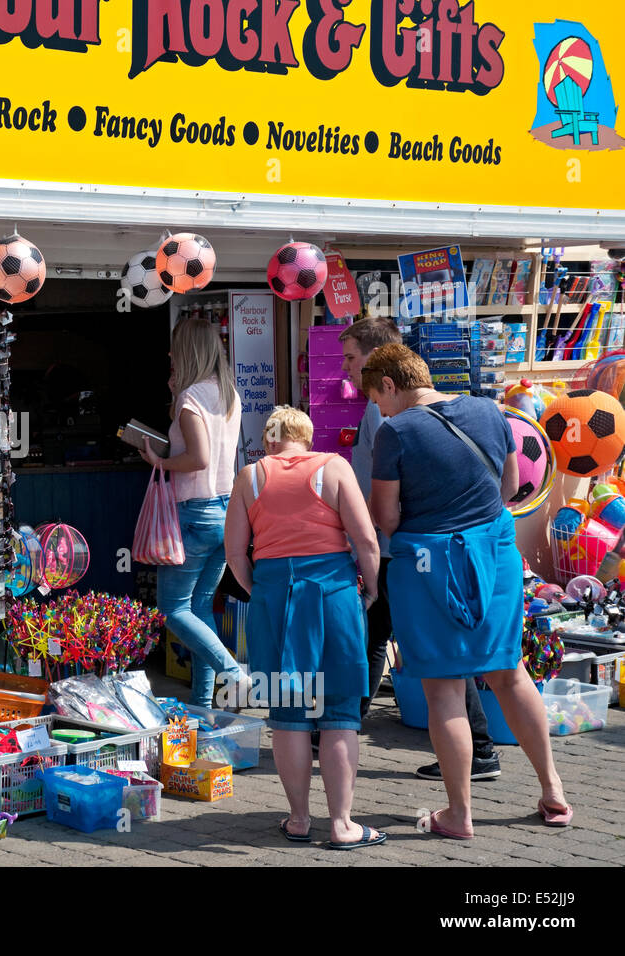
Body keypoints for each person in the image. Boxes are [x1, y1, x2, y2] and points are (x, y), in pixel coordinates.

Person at [364, 345, 571, 839]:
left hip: (427, 563)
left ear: (391, 385)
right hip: (495, 554)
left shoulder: (395, 432)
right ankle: (554, 789)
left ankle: (459, 814)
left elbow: (386, 518)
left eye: (377, 399)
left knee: (443, 689)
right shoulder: (489, 409)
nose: (379, 410)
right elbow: (512, 485)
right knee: (509, 672)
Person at [339, 320, 501, 781]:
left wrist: (369, 536)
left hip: (405, 550)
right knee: (378, 636)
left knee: (433, 658)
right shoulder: (470, 409)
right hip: (419, 548)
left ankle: (480, 749)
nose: (347, 369)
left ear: (379, 366)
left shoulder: (390, 415)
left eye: (352, 358)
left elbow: (386, 502)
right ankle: (344, 724)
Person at [224, 406, 384, 849]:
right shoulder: (333, 467)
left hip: (275, 599)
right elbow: (365, 540)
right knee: (339, 714)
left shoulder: (249, 477)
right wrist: (369, 590)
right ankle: (343, 824)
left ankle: (298, 819)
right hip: (333, 595)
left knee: (286, 713)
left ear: (270, 439)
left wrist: (262, 591)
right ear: (306, 438)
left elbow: (235, 554)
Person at [142, 318, 246, 709]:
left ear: (187, 351)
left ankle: (232, 672)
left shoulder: (191, 398)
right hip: (224, 512)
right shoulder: (227, 394)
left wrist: (158, 459)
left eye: (175, 347)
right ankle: (203, 703)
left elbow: (197, 458)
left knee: (172, 610)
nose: (170, 354)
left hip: (194, 514)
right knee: (199, 608)